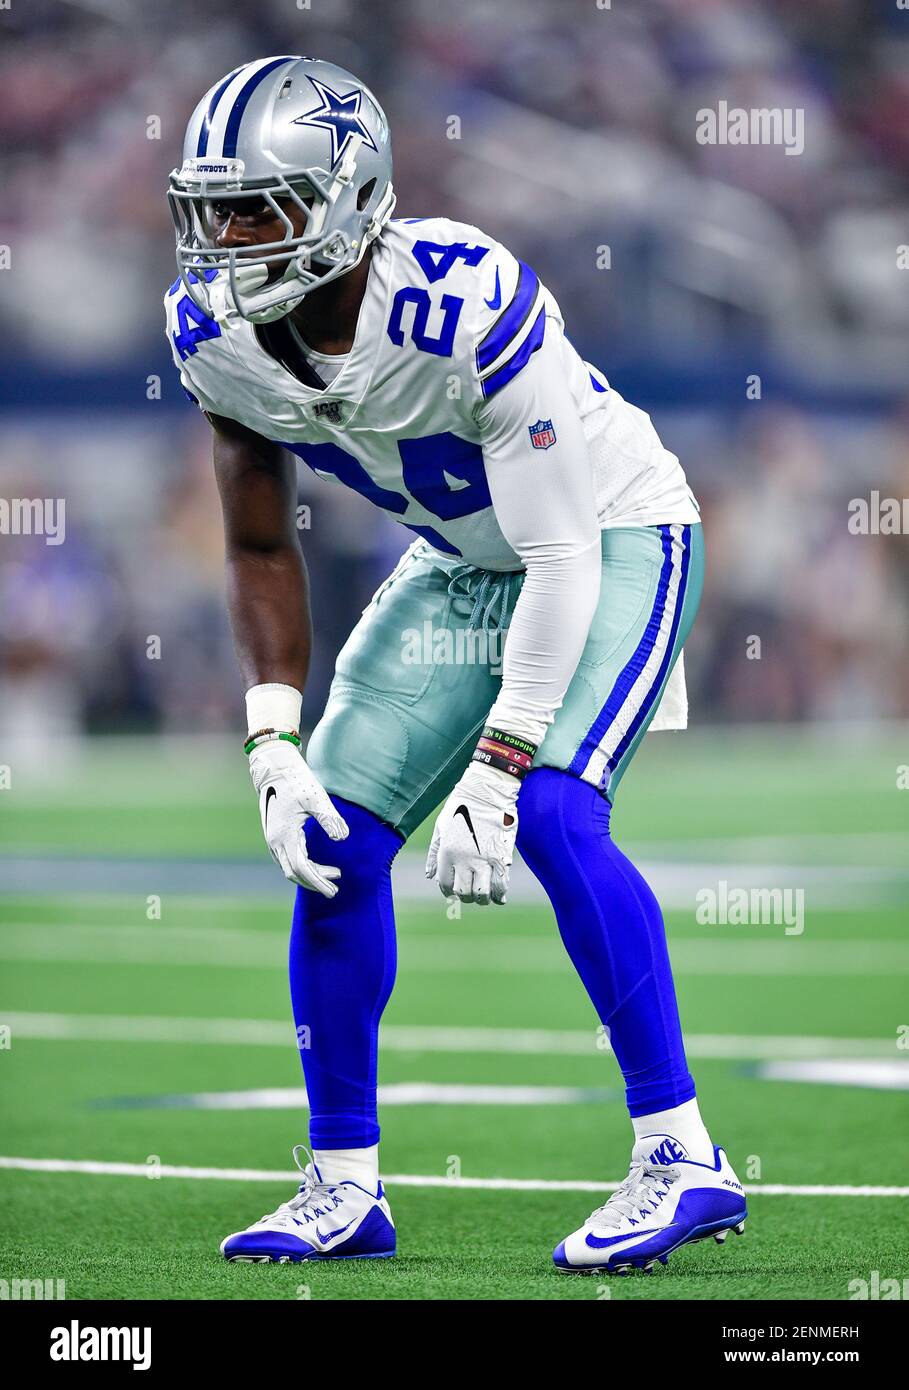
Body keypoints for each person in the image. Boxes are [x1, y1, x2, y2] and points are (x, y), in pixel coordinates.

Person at [165, 55, 746, 1274]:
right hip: (463, 559)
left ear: (350, 198)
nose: (224, 240)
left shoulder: (463, 294)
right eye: (212, 209)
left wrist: (495, 760)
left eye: (258, 208)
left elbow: (560, 552)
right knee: (331, 842)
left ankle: (682, 1152)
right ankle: (342, 1183)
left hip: (612, 529)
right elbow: (262, 542)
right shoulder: (214, 333)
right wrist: (273, 738)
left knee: (549, 811)